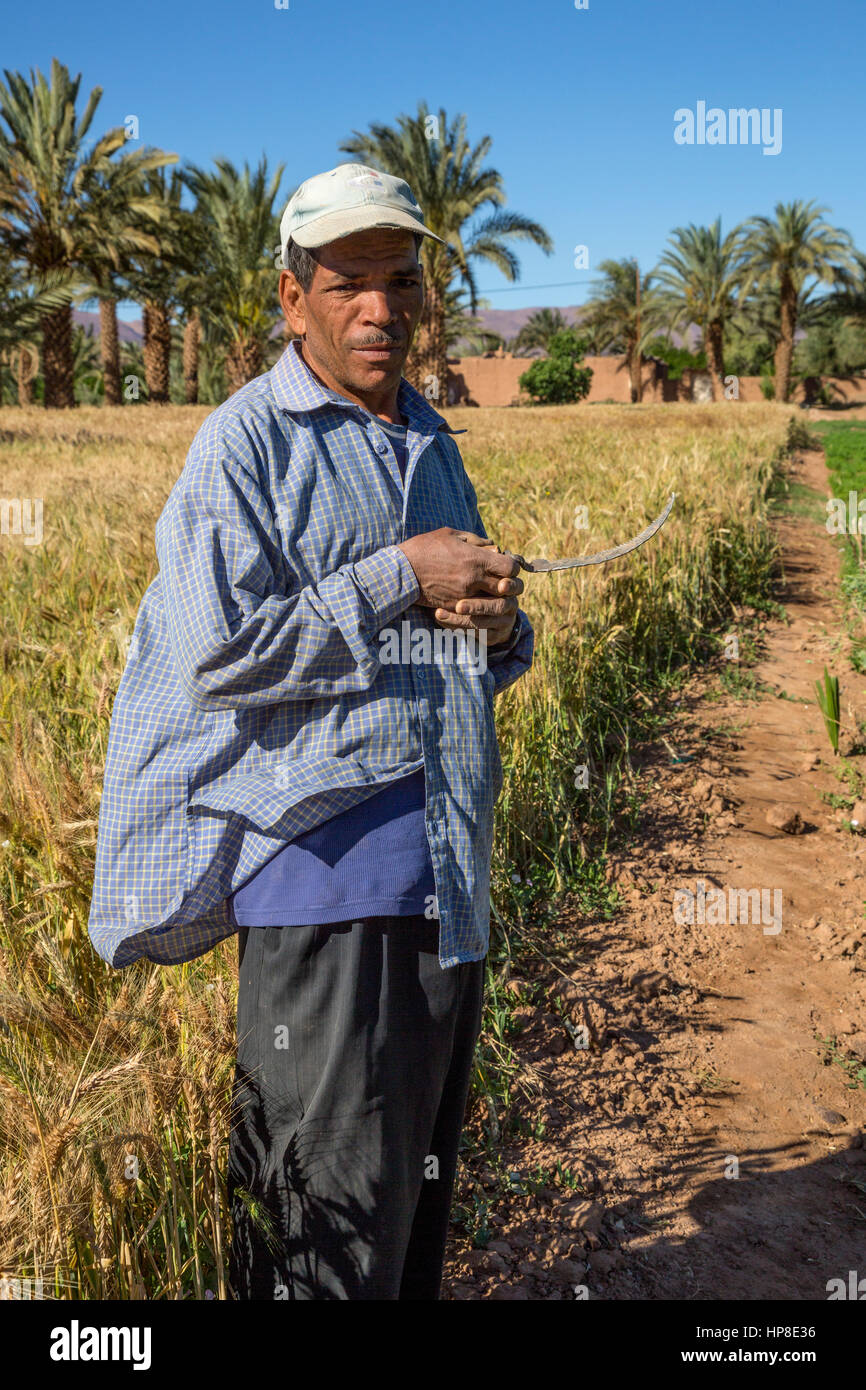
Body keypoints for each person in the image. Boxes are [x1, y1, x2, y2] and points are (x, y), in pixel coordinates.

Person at [88, 162, 534, 1299]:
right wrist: (398, 573)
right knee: (316, 1241)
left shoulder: (431, 439)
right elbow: (217, 651)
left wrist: (495, 624)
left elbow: (457, 649)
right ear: (293, 300)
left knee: (400, 1236)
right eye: (347, 283)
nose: (379, 308)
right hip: (324, 892)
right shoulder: (245, 446)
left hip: (444, 879)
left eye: (398, 282)